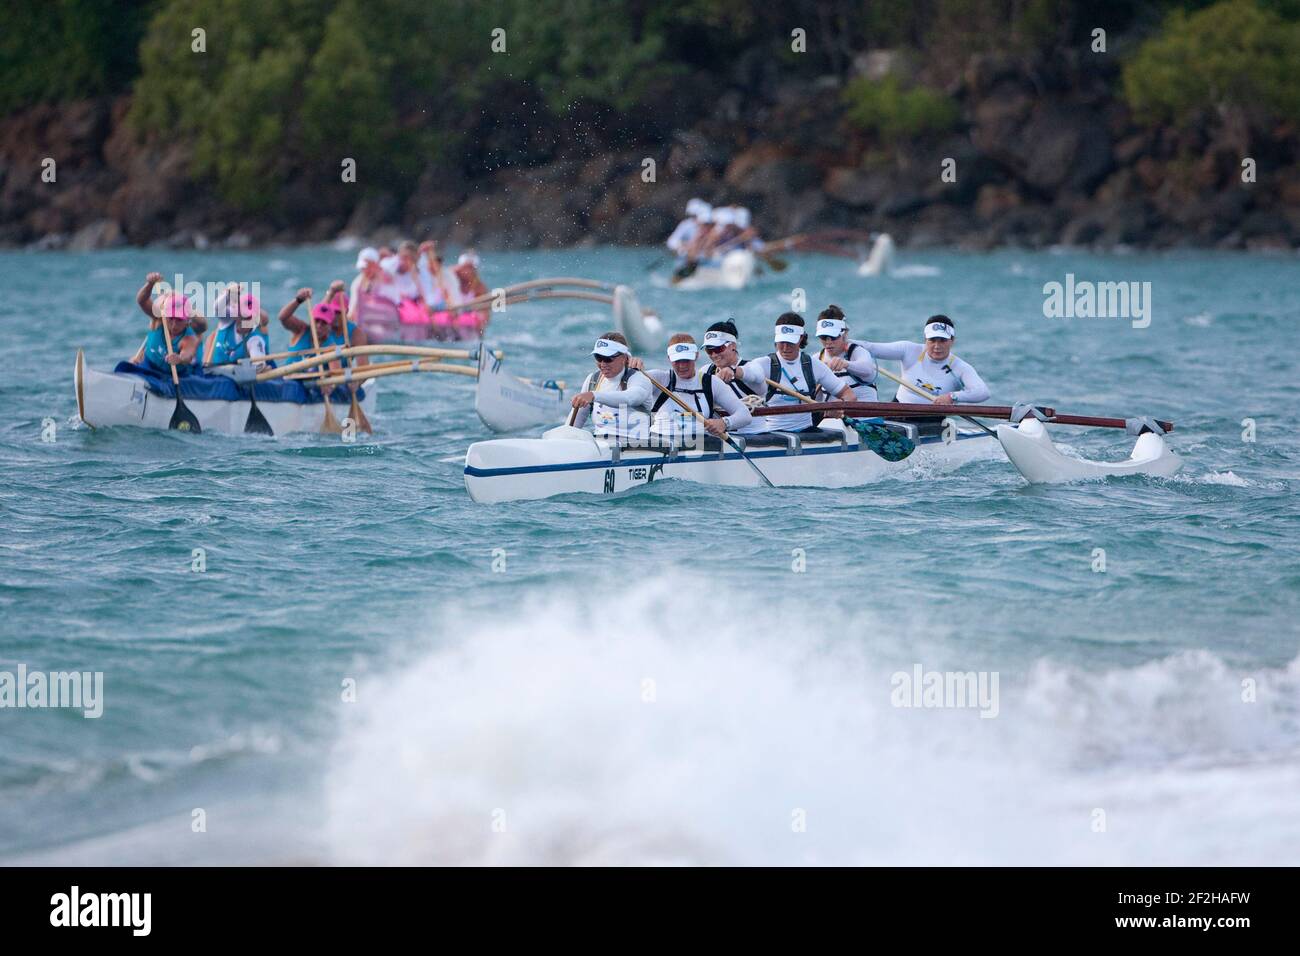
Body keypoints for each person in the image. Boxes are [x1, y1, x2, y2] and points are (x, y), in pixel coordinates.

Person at [716, 314, 854, 433]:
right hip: (773, 433)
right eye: (781, 342)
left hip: (807, 431)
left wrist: (838, 407)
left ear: (801, 338)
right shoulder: (765, 363)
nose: (785, 347)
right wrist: (733, 371)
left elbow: (849, 396)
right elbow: (750, 372)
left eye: (790, 342)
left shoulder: (813, 365)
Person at [643, 333, 752, 441]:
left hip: (699, 447)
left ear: (696, 355)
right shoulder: (658, 379)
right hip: (661, 445)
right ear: (669, 358)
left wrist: (724, 423)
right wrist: (633, 367)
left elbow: (745, 415)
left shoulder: (711, 383)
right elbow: (630, 387)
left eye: (686, 360)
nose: (682, 366)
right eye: (677, 361)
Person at [862, 315, 989, 405]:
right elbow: (871, 347)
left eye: (943, 341)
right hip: (898, 411)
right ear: (925, 339)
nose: (937, 346)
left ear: (952, 341)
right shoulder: (909, 350)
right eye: (932, 340)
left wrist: (953, 397)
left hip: (932, 420)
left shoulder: (960, 367)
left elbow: (982, 392)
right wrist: (844, 343)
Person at [569, 332, 653, 439]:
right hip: (602, 446)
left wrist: (593, 395)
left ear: (624, 358)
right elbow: (573, 425)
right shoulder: (592, 380)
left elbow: (629, 398)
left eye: (608, 359)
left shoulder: (639, 379)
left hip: (637, 447)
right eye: (598, 357)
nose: (603, 364)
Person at [701, 319, 769, 435]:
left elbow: (756, 375)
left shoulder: (752, 366)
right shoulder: (705, 371)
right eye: (709, 350)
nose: (714, 355)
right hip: (721, 435)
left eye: (718, 349)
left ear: (732, 345)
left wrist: (733, 371)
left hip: (754, 436)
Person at [814, 304, 878, 401]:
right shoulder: (817, 359)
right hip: (832, 415)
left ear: (845, 334)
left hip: (866, 416)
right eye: (823, 337)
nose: (828, 342)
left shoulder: (857, 352)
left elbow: (868, 369)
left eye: (833, 336)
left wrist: (845, 364)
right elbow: (815, 400)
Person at [202, 283, 269, 368]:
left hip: (236, 377)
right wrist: (228, 293)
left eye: (248, 317)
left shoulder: (255, 340)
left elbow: (259, 366)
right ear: (235, 314)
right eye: (242, 314)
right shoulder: (226, 321)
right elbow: (217, 308)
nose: (245, 319)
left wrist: (259, 366)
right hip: (214, 374)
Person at [139, 291, 201, 374]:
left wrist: (179, 359)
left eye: (179, 320)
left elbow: (187, 355)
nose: (174, 325)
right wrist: (150, 284)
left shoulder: (190, 338)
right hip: (147, 367)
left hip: (173, 376)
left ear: (187, 321)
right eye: (171, 318)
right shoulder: (158, 321)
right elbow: (142, 301)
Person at [348, 247, 401, 340]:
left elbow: (400, 260)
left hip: (390, 321)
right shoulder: (357, 283)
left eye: (368, 266)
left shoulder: (388, 276)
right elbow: (352, 309)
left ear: (375, 264)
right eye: (362, 268)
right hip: (369, 322)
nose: (364, 270)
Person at [451, 252, 489, 339]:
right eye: (465, 268)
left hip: (469, 316)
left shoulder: (479, 287)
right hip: (453, 314)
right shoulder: (453, 278)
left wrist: (482, 323)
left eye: (470, 268)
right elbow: (443, 271)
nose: (467, 271)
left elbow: (485, 312)